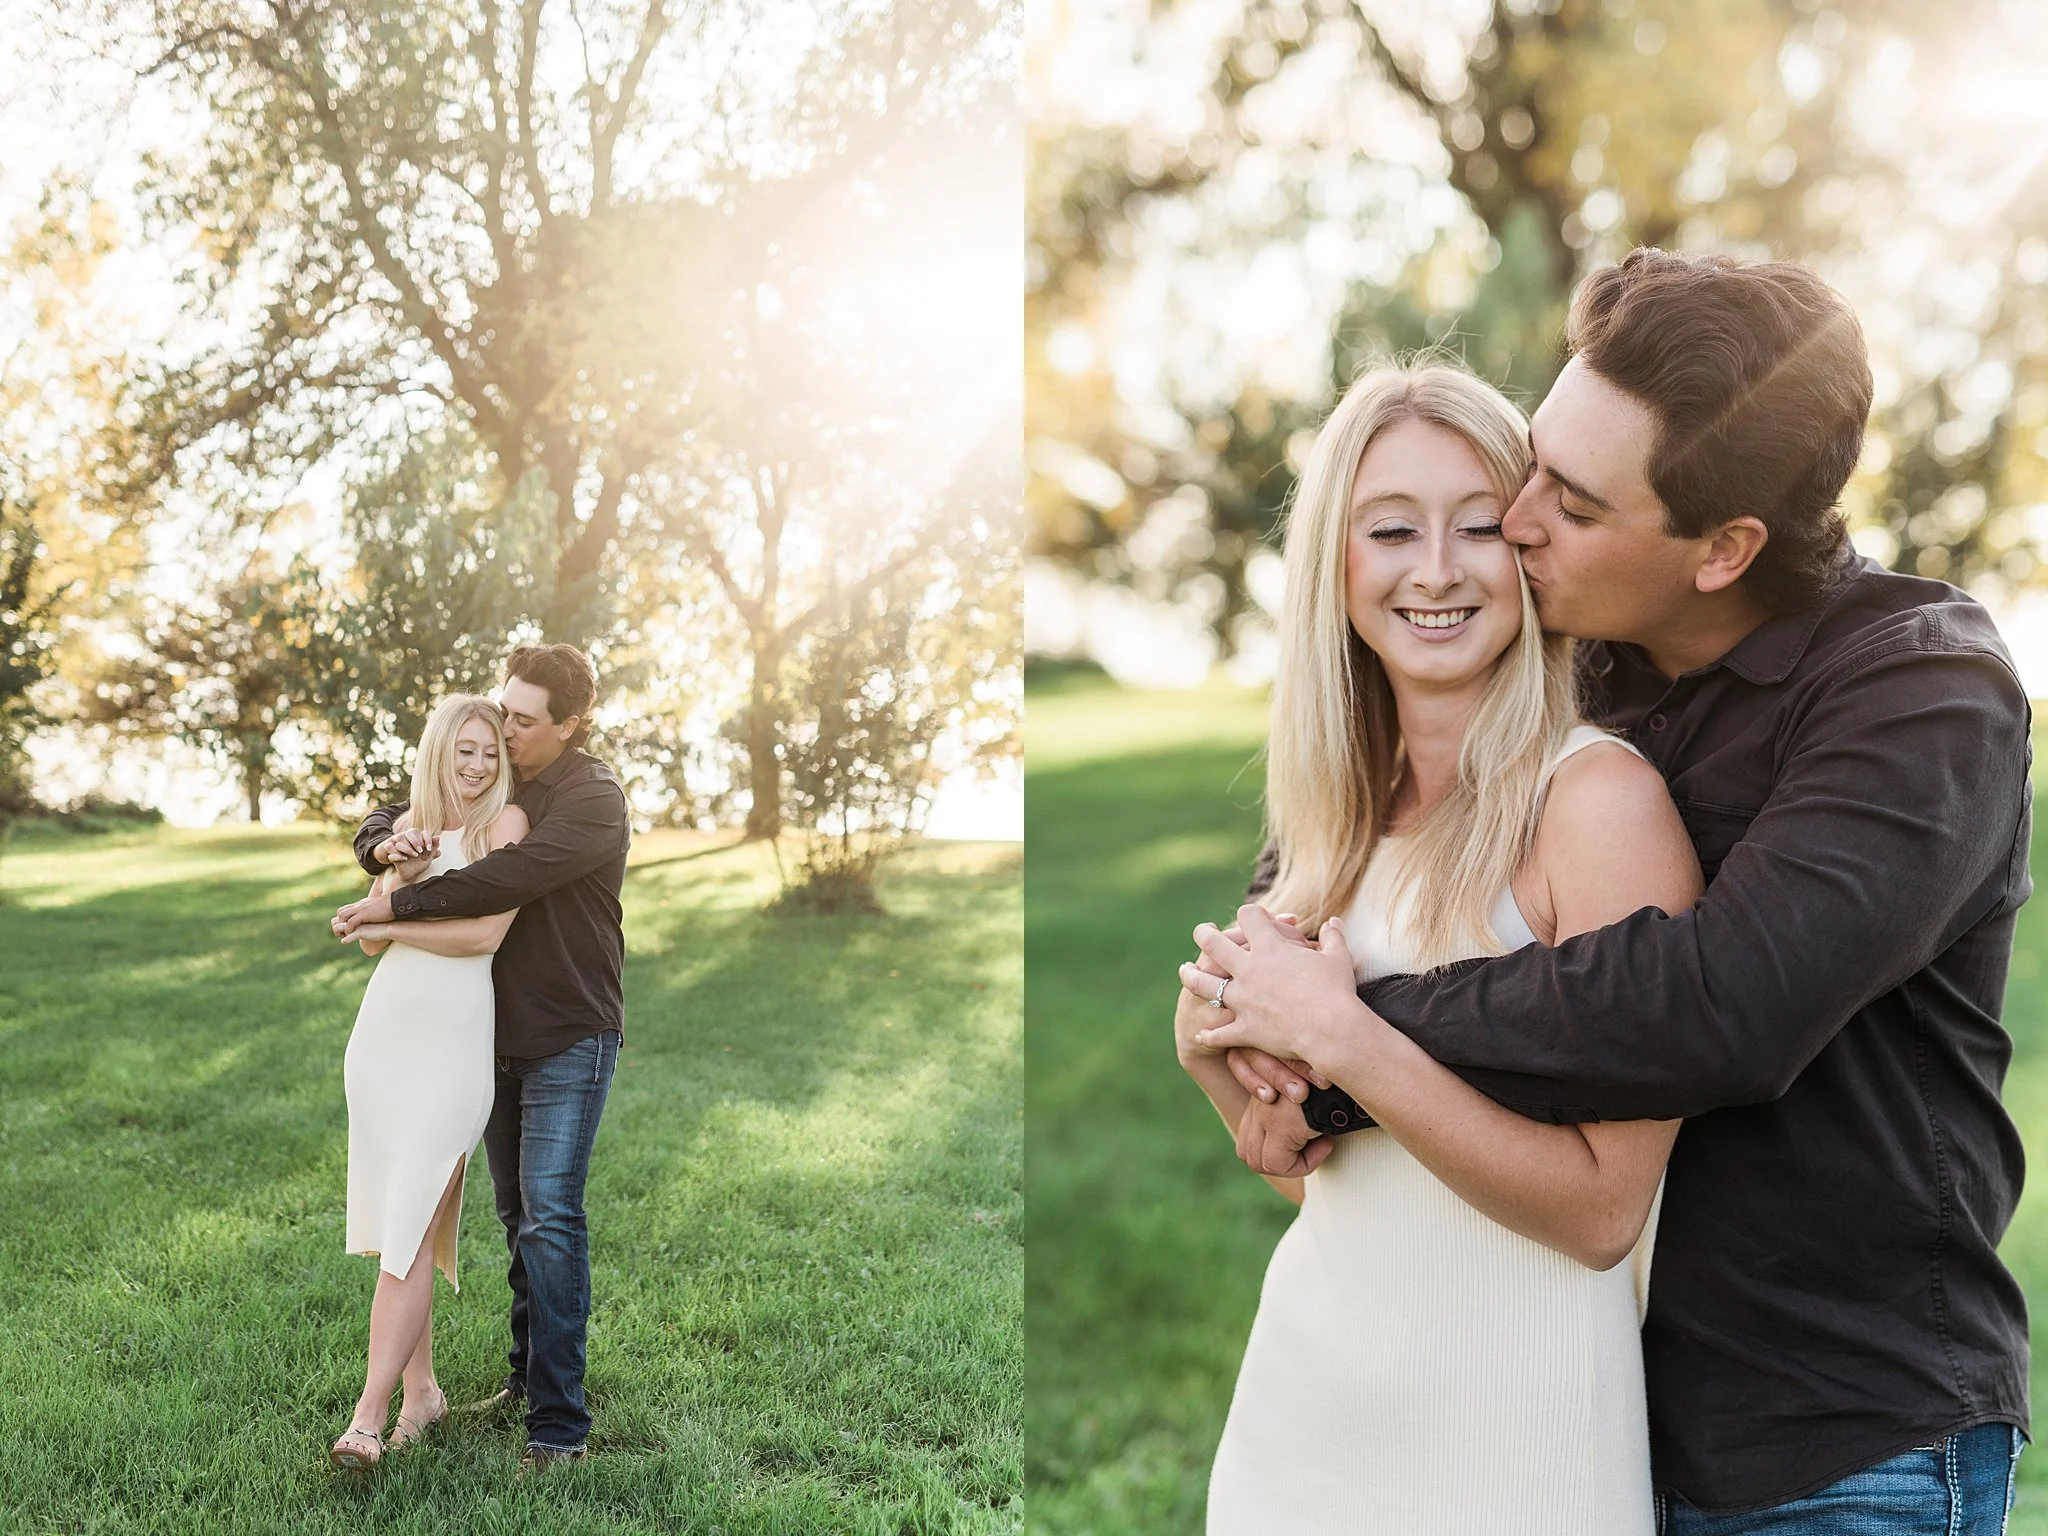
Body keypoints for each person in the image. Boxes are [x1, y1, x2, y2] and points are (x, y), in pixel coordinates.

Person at [1189, 250, 2032, 1532]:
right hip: (1583, 1397)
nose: (1514, 522)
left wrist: (1342, 1036)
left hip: (1828, 1432)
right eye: (1532, 463)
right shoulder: (1579, 671)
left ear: (1719, 548)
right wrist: (1267, 1048)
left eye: (1568, 504)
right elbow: (1306, 916)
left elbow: (1716, 1009)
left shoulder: (1915, 695)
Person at [1174, 359, 1701, 1534]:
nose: (1435, 570)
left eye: (1477, 526)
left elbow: (1601, 1214)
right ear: (1335, 561)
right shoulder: (1332, 821)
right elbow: (1310, 1174)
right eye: (1390, 529)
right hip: (1303, 1421)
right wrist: (1214, 1057)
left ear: (1527, 547)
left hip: (1518, 1443)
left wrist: (1339, 1037)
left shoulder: (1594, 805)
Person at [332, 643, 630, 1470]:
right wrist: (380, 846)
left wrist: (388, 909)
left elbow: (501, 884)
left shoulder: (589, 799)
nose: (504, 728)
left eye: (524, 721)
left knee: (550, 1214)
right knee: (514, 1218)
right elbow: (391, 815)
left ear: (573, 725)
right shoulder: (503, 773)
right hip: (490, 1035)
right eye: (504, 710)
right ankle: (523, 1378)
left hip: (570, 1028)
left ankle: (558, 1426)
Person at [328, 694, 528, 1471]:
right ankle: (422, 1396)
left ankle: (367, 1420)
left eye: (489, 751)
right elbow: (372, 948)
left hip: (453, 1049)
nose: (477, 765)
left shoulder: (503, 830)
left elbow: (482, 933)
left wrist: (384, 920)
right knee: (400, 1225)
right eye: (463, 750)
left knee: (409, 1232)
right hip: (382, 1044)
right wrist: (394, 880)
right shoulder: (409, 832)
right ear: (438, 752)